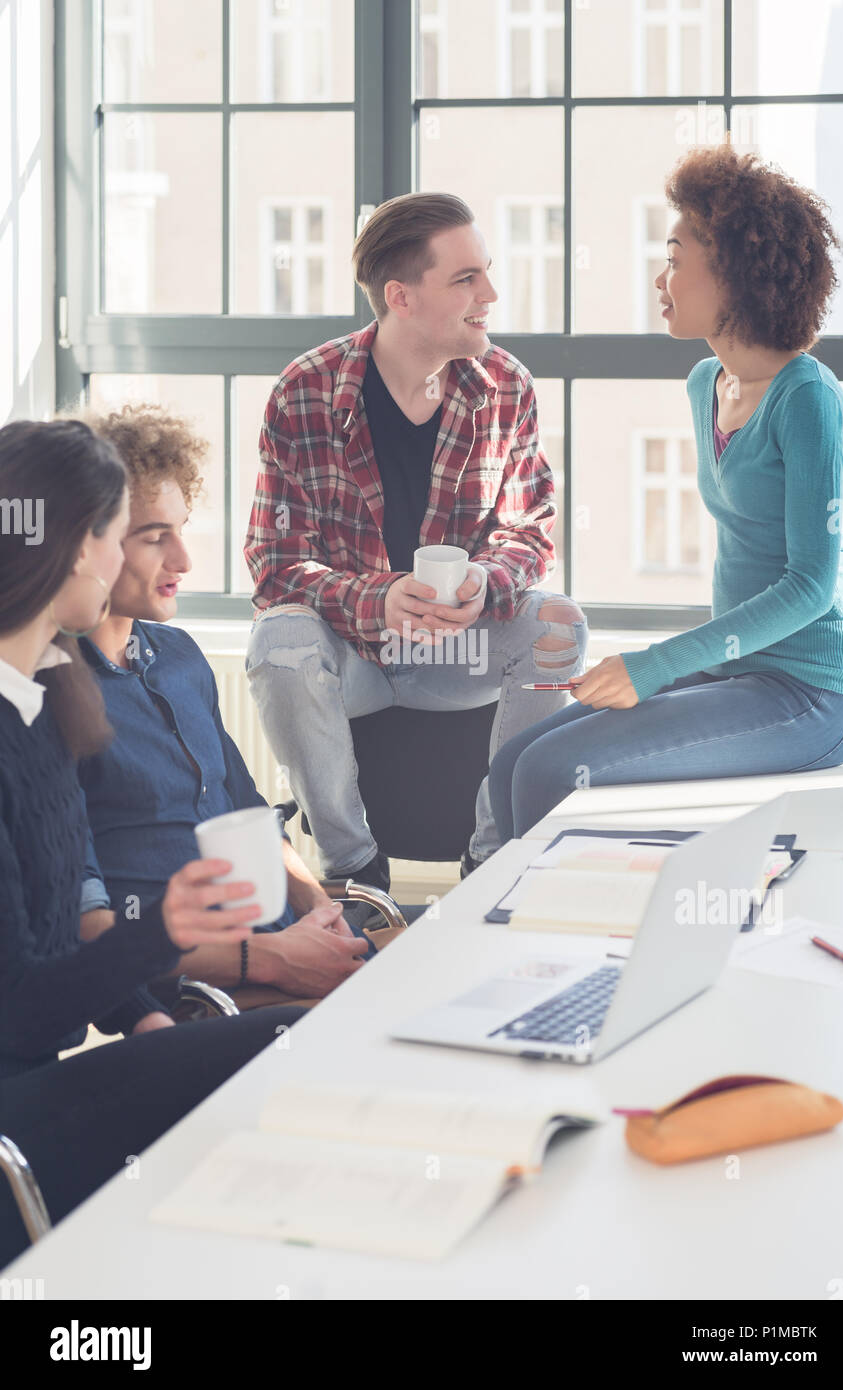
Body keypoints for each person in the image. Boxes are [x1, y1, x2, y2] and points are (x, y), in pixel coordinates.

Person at [489, 144, 843, 841]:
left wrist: (656, 664)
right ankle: (500, 927)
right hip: (737, 674)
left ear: (734, 271)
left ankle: (535, 933)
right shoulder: (705, 384)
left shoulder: (807, 400)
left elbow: (810, 587)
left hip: (813, 694)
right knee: (512, 762)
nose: (660, 277)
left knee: (548, 774)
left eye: (674, 255)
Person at [0, 418, 305, 1270]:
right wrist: (164, 930)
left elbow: (61, 947)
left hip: (42, 1078)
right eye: (118, 533)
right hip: (13, 1119)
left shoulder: (42, 705)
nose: (122, 560)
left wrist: (145, 1013)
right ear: (73, 548)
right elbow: (22, 1004)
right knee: (292, 1046)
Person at [244, 192, 587, 890]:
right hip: (357, 661)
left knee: (559, 624)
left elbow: (529, 530)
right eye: (465, 279)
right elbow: (275, 566)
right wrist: (378, 601)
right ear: (399, 296)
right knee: (278, 641)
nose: (489, 293)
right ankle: (352, 871)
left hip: (461, 652)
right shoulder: (304, 390)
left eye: (485, 273)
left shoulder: (504, 387)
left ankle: (494, 858)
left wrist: (481, 585)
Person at [74, 403, 369, 1001]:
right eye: (156, 538)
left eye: (182, 531)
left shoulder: (179, 656)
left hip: (281, 941)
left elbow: (245, 807)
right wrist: (273, 960)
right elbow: (93, 933)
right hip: (205, 986)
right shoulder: (54, 696)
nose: (183, 561)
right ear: (90, 542)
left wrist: (318, 906)